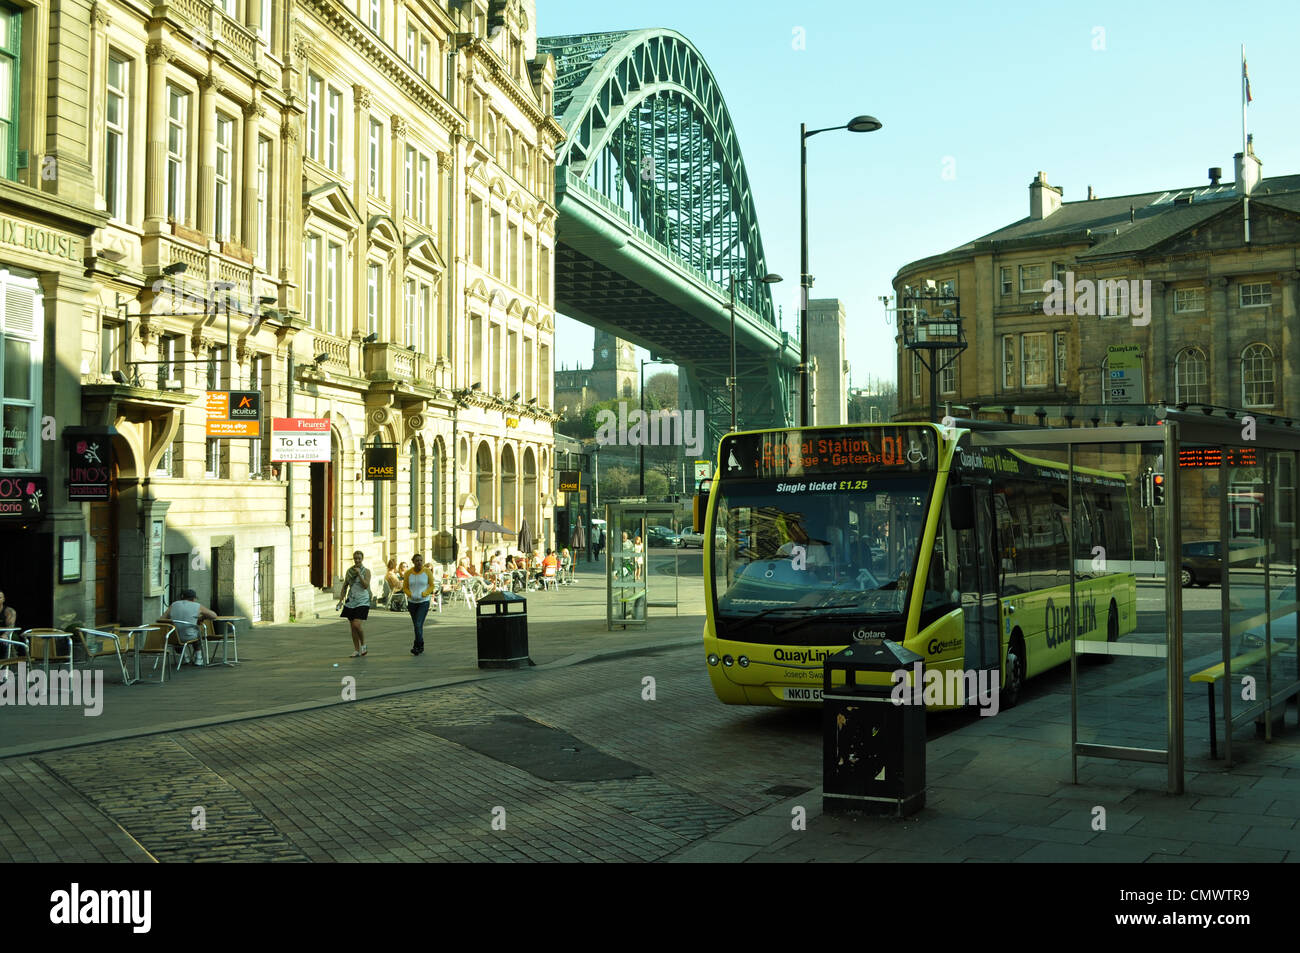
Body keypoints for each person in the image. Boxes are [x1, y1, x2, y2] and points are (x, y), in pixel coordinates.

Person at [161, 588, 218, 664]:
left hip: (173, 637)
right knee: (197, 634)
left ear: (182, 597)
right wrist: (203, 617)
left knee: (177, 633)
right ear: (194, 598)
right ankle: (198, 658)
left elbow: (161, 619)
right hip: (189, 636)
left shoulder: (173, 605)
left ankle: (185, 657)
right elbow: (214, 615)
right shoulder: (197, 606)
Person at [338, 550, 371, 657]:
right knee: (352, 626)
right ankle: (356, 649)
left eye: (359, 558)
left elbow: (366, 585)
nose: (357, 560)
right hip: (351, 600)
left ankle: (363, 644)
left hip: (363, 600)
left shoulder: (366, 571)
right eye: (355, 558)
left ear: (362, 559)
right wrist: (340, 600)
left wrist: (359, 574)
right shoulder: (349, 571)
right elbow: (345, 586)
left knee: (357, 624)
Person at [402, 553, 435, 655]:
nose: (419, 562)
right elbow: (405, 587)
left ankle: (418, 646)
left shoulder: (427, 572)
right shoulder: (408, 573)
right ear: (413, 562)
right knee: (416, 625)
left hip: (423, 602)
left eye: (421, 560)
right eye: (417, 561)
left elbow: (431, 585)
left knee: (418, 624)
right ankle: (419, 645)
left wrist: (425, 593)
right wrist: (410, 594)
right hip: (412, 602)